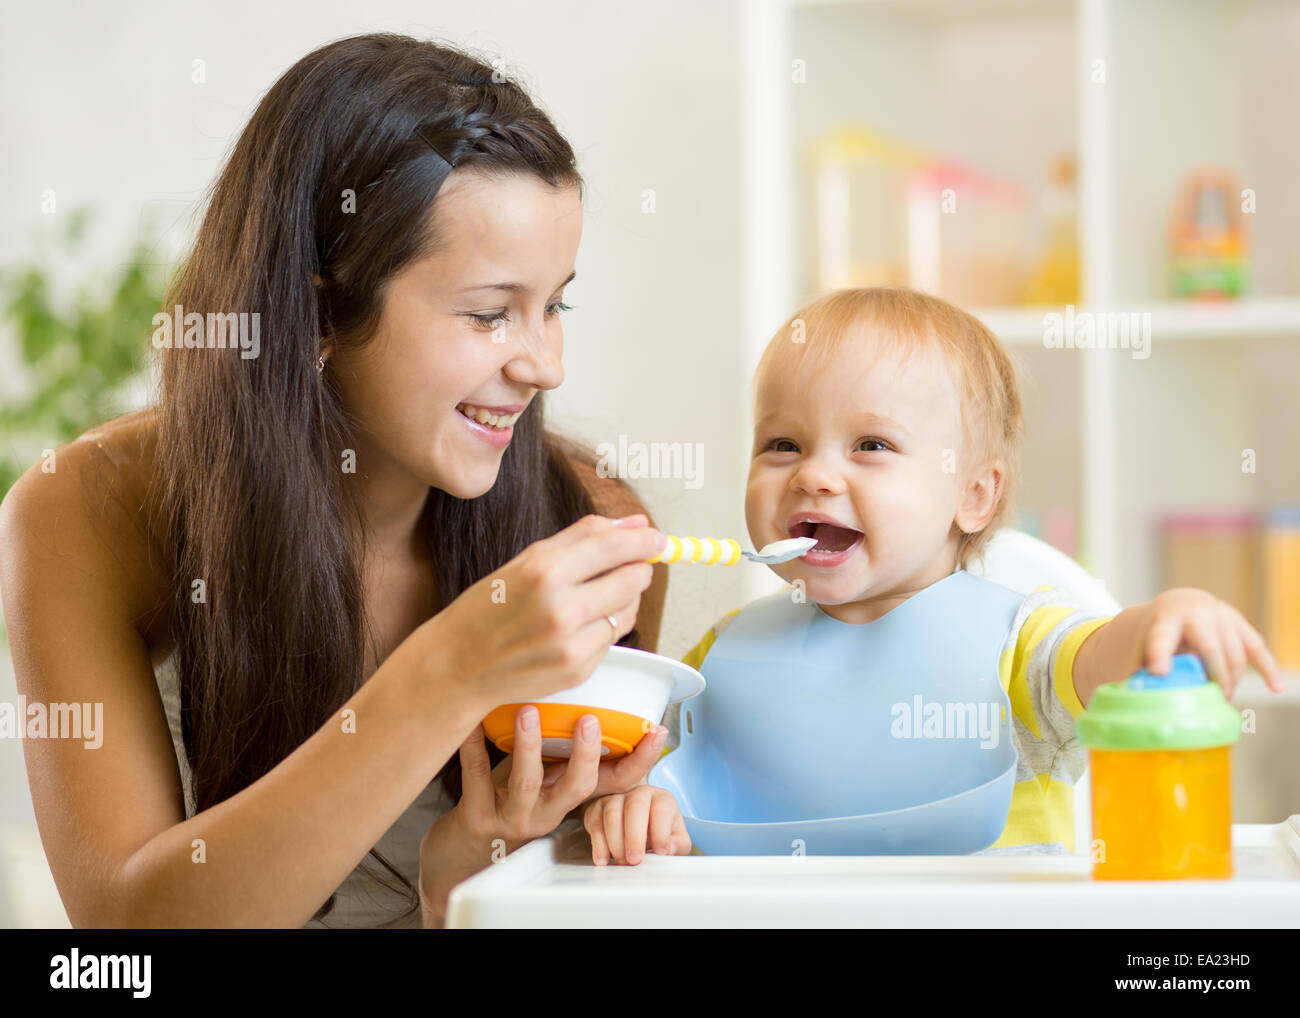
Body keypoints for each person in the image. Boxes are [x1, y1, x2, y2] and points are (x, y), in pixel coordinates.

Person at [0, 32, 682, 929]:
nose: (545, 367)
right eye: (488, 314)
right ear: (318, 311)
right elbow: (132, 941)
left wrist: (473, 885)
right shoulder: (86, 512)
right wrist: (452, 671)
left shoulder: (583, 527)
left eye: (555, 305)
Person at [584, 286, 1283, 860]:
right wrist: (635, 808)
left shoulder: (1019, 647)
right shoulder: (722, 656)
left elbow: (1102, 662)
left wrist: (1161, 623)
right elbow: (646, 778)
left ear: (972, 495)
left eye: (872, 445)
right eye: (782, 443)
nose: (815, 474)